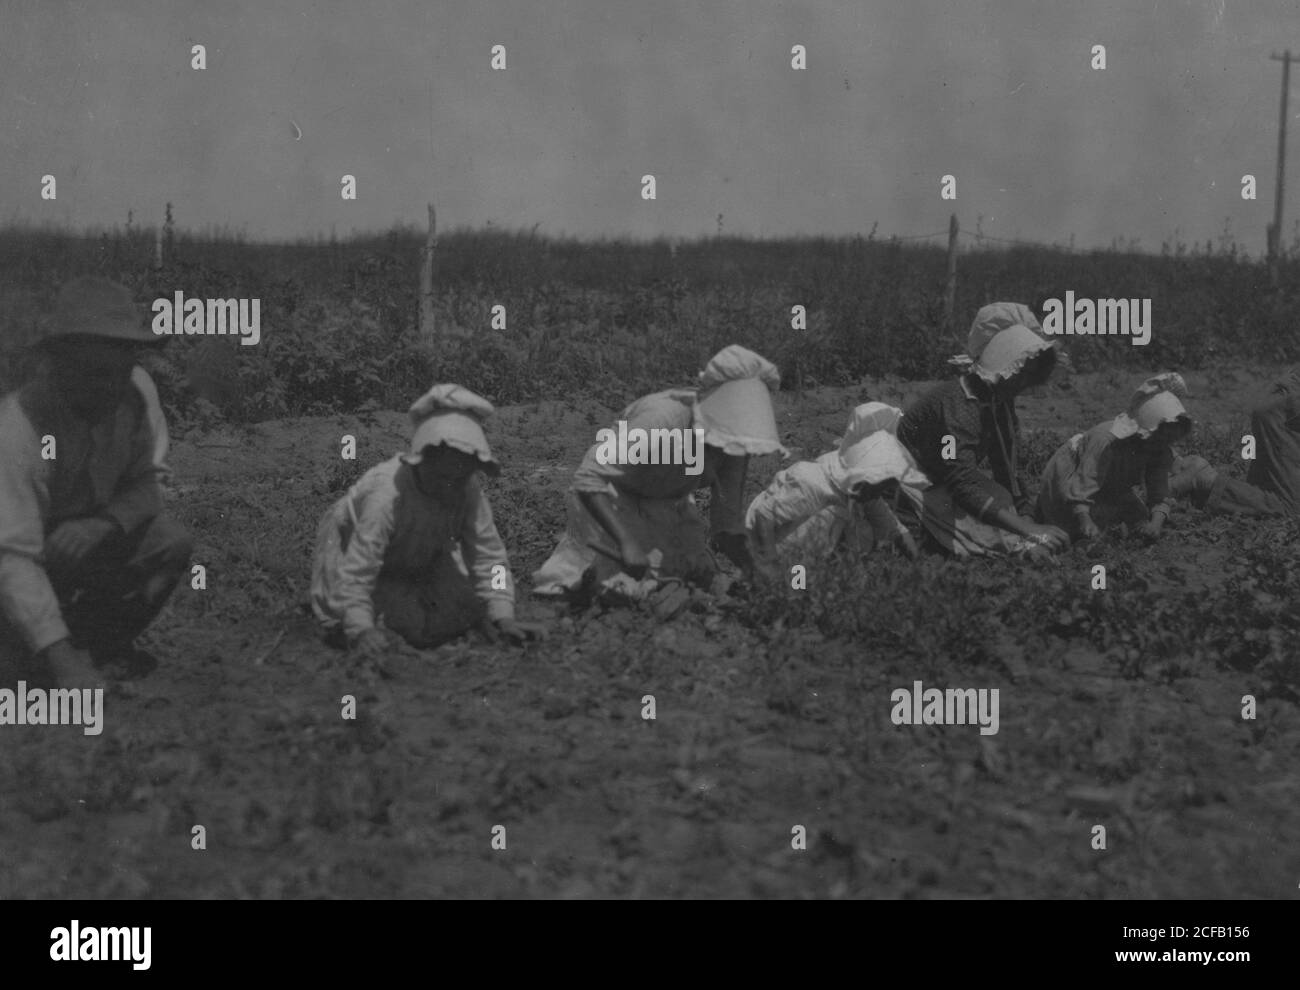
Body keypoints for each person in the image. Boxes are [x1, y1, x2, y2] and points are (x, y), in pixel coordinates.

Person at [0, 276, 192, 687]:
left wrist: (101, 524)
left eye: (121, 371)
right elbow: (12, 557)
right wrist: (60, 660)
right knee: (16, 672)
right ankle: (53, 655)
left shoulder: (134, 396)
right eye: (94, 373)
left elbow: (148, 485)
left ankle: (94, 646)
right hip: (15, 554)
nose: (110, 388)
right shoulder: (19, 430)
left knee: (169, 541)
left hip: (77, 544)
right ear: (59, 364)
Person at [532, 344, 787, 598]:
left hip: (668, 502)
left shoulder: (734, 448)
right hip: (611, 496)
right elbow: (589, 477)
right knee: (614, 589)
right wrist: (626, 542)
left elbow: (727, 524)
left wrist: (754, 571)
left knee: (696, 576)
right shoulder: (663, 419)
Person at [311, 384, 545, 657]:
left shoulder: (465, 487)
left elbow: (488, 556)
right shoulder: (386, 496)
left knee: (465, 610)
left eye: (459, 478)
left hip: (421, 552)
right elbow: (359, 567)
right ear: (420, 462)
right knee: (385, 625)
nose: (451, 487)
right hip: (352, 553)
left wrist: (503, 615)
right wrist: (361, 629)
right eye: (443, 477)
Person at [896, 303, 1070, 557]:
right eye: (1019, 374)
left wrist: (1025, 515)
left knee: (1001, 502)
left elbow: (1006, 467)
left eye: (1029, 375)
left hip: (943, 478)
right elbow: (961, 481)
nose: (1022, 383)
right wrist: (1026, 529)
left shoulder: (998, 401)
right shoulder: (958, 407)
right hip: (912, 481)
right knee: (982, 535)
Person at [746, 402, 927, 564]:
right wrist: (769, 567)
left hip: (792, 532)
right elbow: (764, 517)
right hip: (766, 537)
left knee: (859, 529)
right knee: (834, 517)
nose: (878, 495)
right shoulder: (813, 483)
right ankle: (793, 581)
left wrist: (918, 565)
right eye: (879, 487)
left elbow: (895, 529)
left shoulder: (862, 489)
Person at [1035, 374, 1190, 542]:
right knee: (1073, 532)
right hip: (1070, 480)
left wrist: (1155, 525)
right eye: (1161, 437)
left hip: (1110, 486)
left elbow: (1159, 492)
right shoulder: (1106, 441)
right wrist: (1084, 519)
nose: (1164, 444)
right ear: (1146, 431)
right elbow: (1083, 483)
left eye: (1169, 439)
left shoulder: (1160, 450)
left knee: (1139, 518)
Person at [1168, 366, 1300, 518]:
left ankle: (1176, 471)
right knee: (1292, 509)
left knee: (1264, 493)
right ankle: (1202, 479)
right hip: (1287, 409)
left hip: (1285, 397)